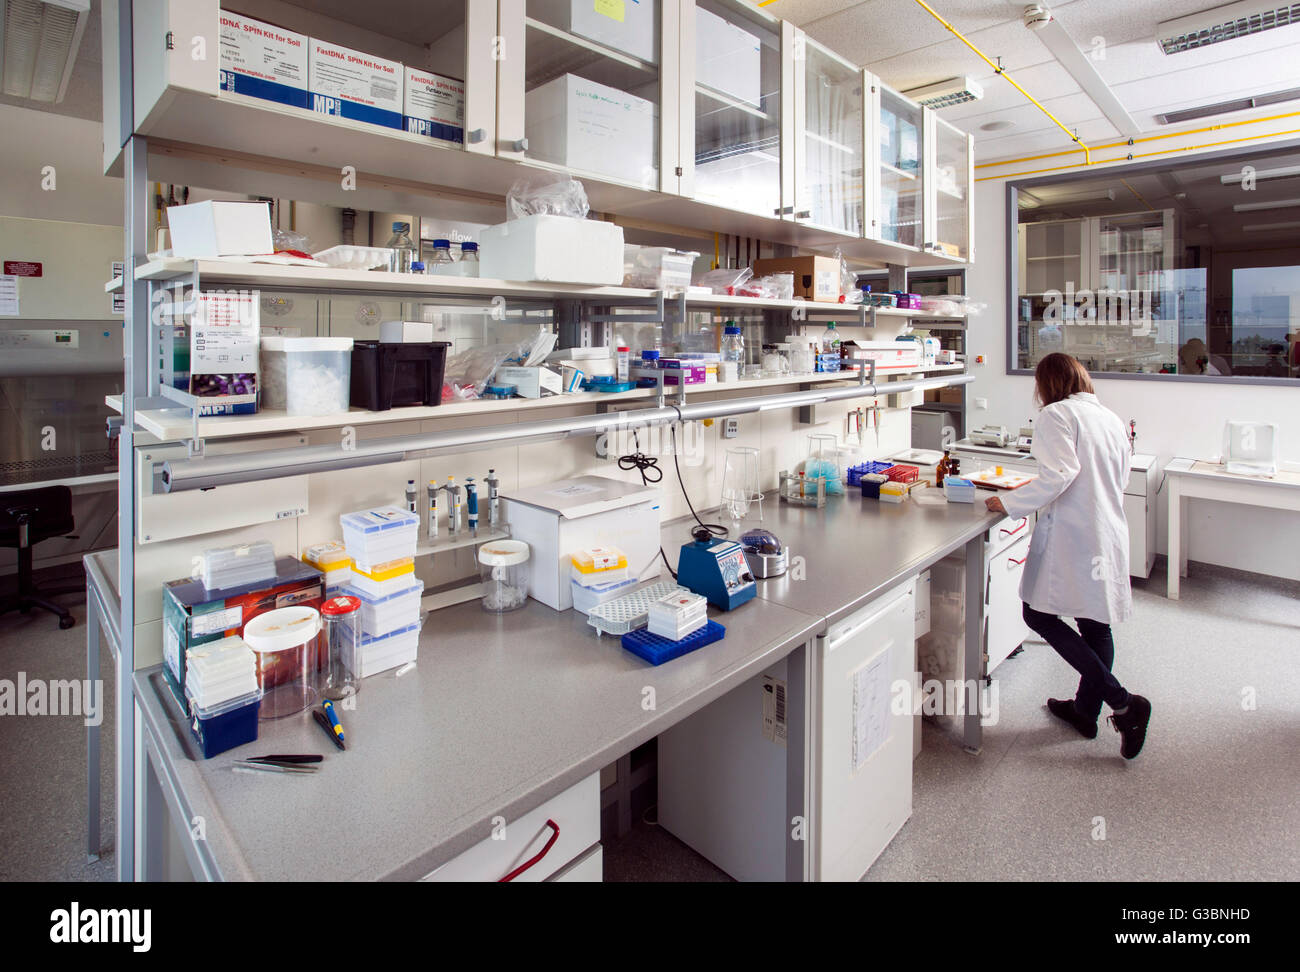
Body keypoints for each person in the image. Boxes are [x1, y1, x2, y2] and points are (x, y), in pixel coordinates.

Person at [985, 353, 1152, 759]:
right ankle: (1084, 711)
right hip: (1106, 530)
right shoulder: (1109, 418)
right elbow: (1115, 476)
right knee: (1096, 625)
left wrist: (1007, 503)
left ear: (1047, 384)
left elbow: (1060, 475)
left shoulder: (1056, 415)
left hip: (1076, 536)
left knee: (1037, 615)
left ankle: (1124, 702)